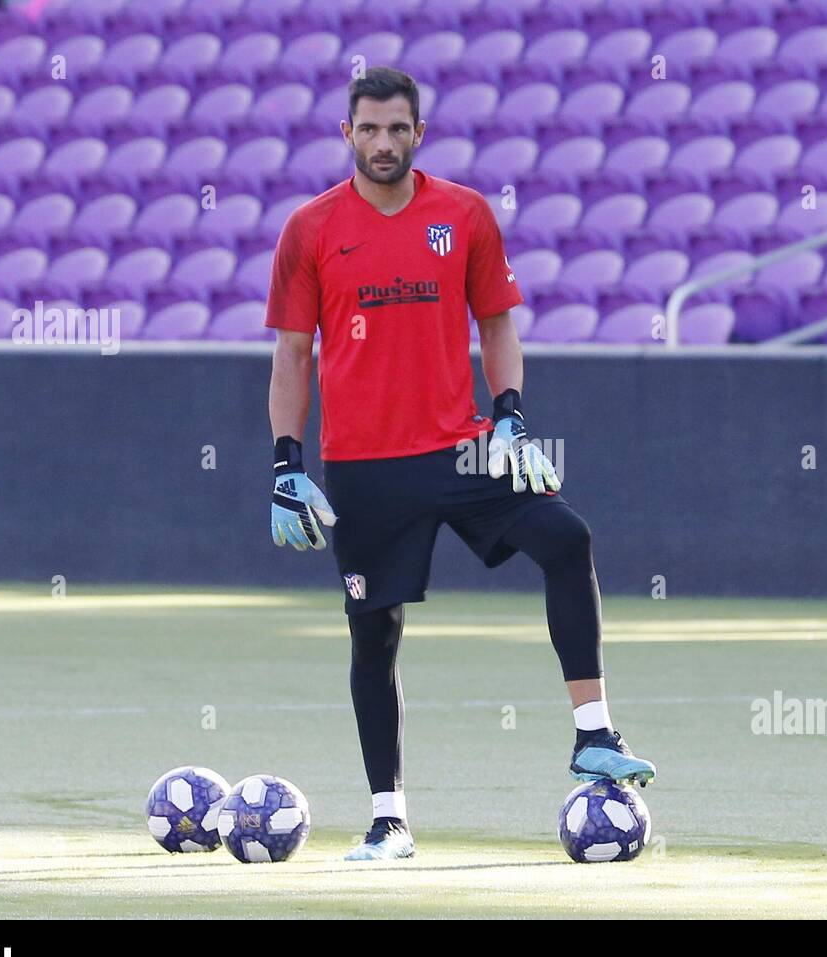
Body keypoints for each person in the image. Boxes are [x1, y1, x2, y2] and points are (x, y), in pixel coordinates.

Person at [265, 67, 654, 861]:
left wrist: (510, 419)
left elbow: (500, 327)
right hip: (364, 465)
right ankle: (389, 820)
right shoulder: (309, 229)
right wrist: (284, 465)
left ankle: (594, 734)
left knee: (565, 537)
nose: (382, 142)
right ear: (348, 135)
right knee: (374, 637)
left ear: (419, 134)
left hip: (466, 445)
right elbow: (293, 355)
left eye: (397, 129)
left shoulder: (465, 215)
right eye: (368, 129)